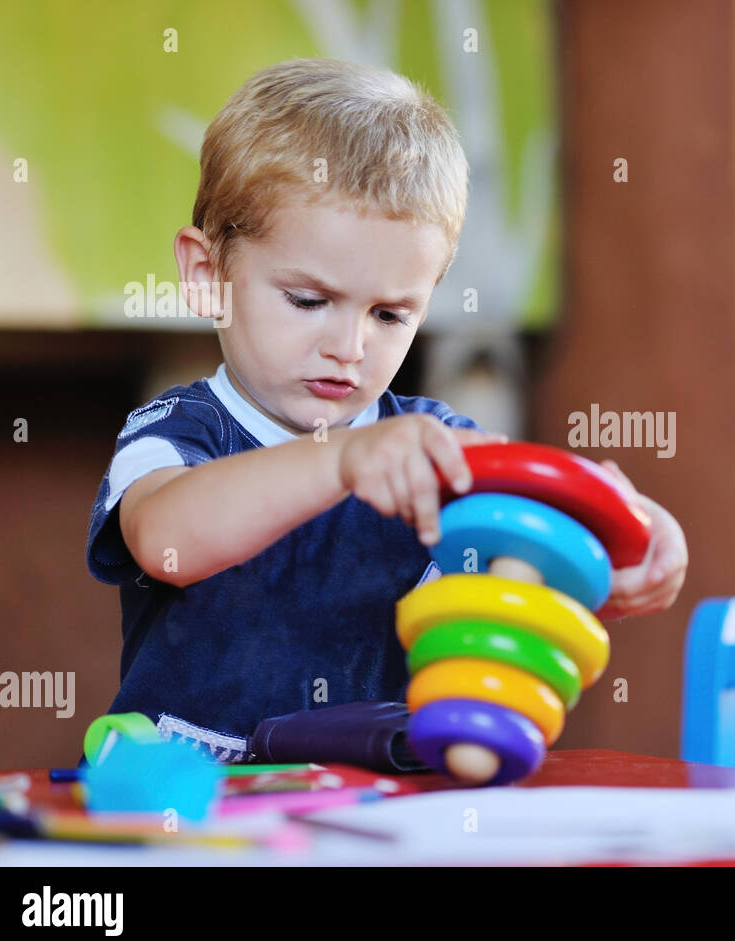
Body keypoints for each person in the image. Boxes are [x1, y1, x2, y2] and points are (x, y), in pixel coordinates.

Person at [85, 59, 687, 757]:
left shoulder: (437, 447)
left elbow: (547, 521)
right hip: (195, 810)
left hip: (382, 810)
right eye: (309, 301)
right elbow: (171, 541)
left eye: (391, 313)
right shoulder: (180, 430)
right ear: (208, 276)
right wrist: (338, 459)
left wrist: (635, 540)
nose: (349, 346)